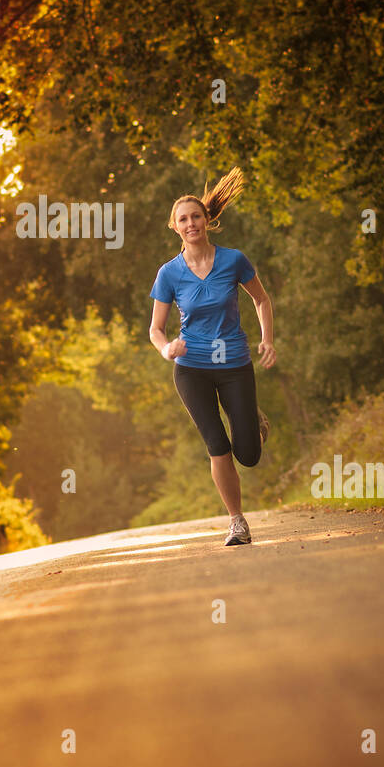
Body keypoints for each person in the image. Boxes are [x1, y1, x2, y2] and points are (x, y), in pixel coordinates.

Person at [148, 167, 276, 546]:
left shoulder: (233, 260)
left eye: (196, 216)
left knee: (248, 454)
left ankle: (252, 418)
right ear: (175, 227)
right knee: (216, 445)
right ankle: (237, 521)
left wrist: (268, 339)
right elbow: (156, 329)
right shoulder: (169, 274)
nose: (191, 223)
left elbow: (261, 299)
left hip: (235, 364)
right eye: (183, 219)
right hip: (192, 370)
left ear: (207, 220)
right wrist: (166, 348)